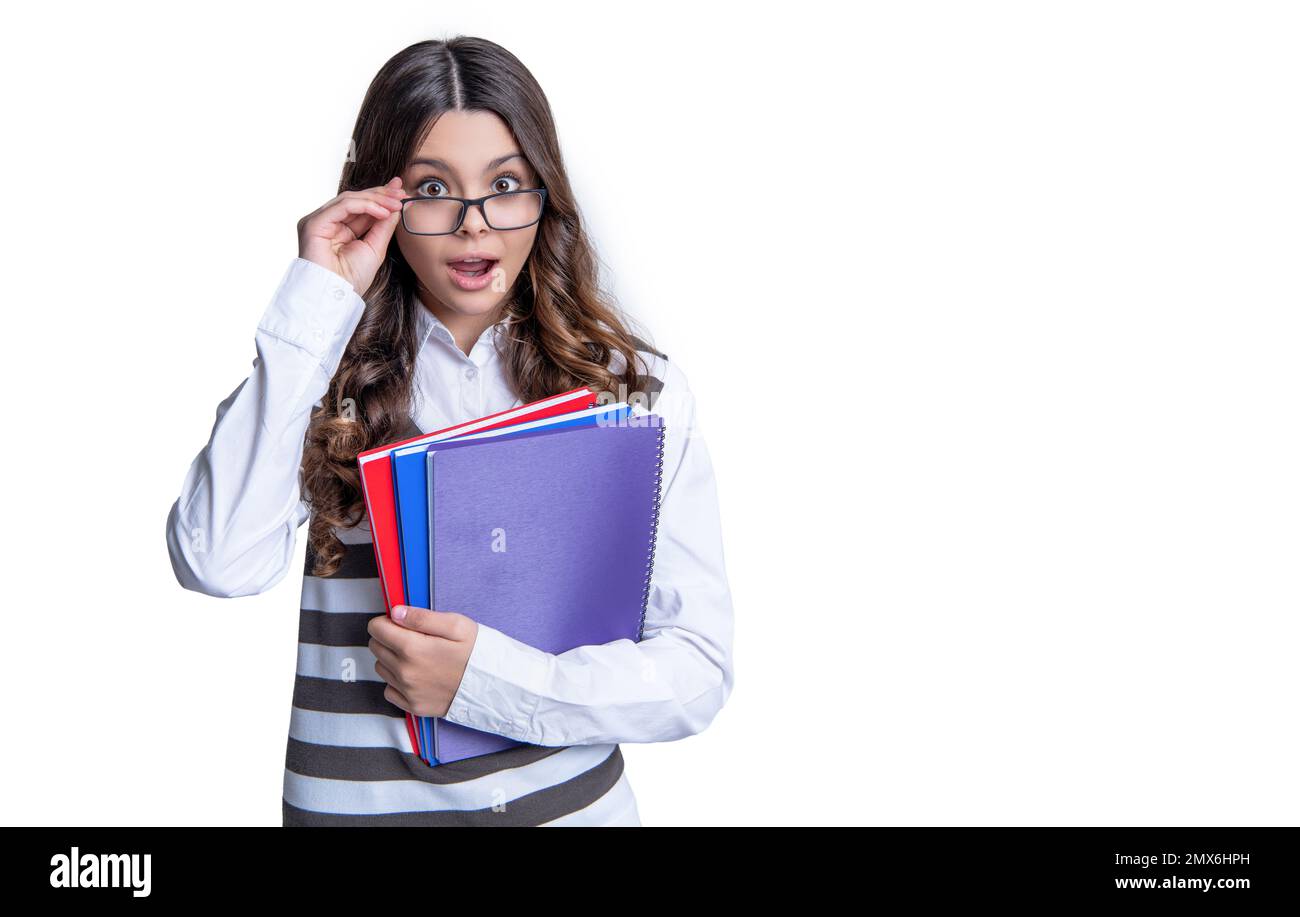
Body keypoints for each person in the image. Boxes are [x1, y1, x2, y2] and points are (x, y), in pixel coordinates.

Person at [165, 35, 735, 826]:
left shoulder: (633, 394)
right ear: (382, 204)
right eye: (433, 188)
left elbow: (694, 671)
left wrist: (485, 683)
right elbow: (217, 561)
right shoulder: (318, 372)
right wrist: (313, 302)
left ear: (546, 191)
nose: (474, 226)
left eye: (505, 184)